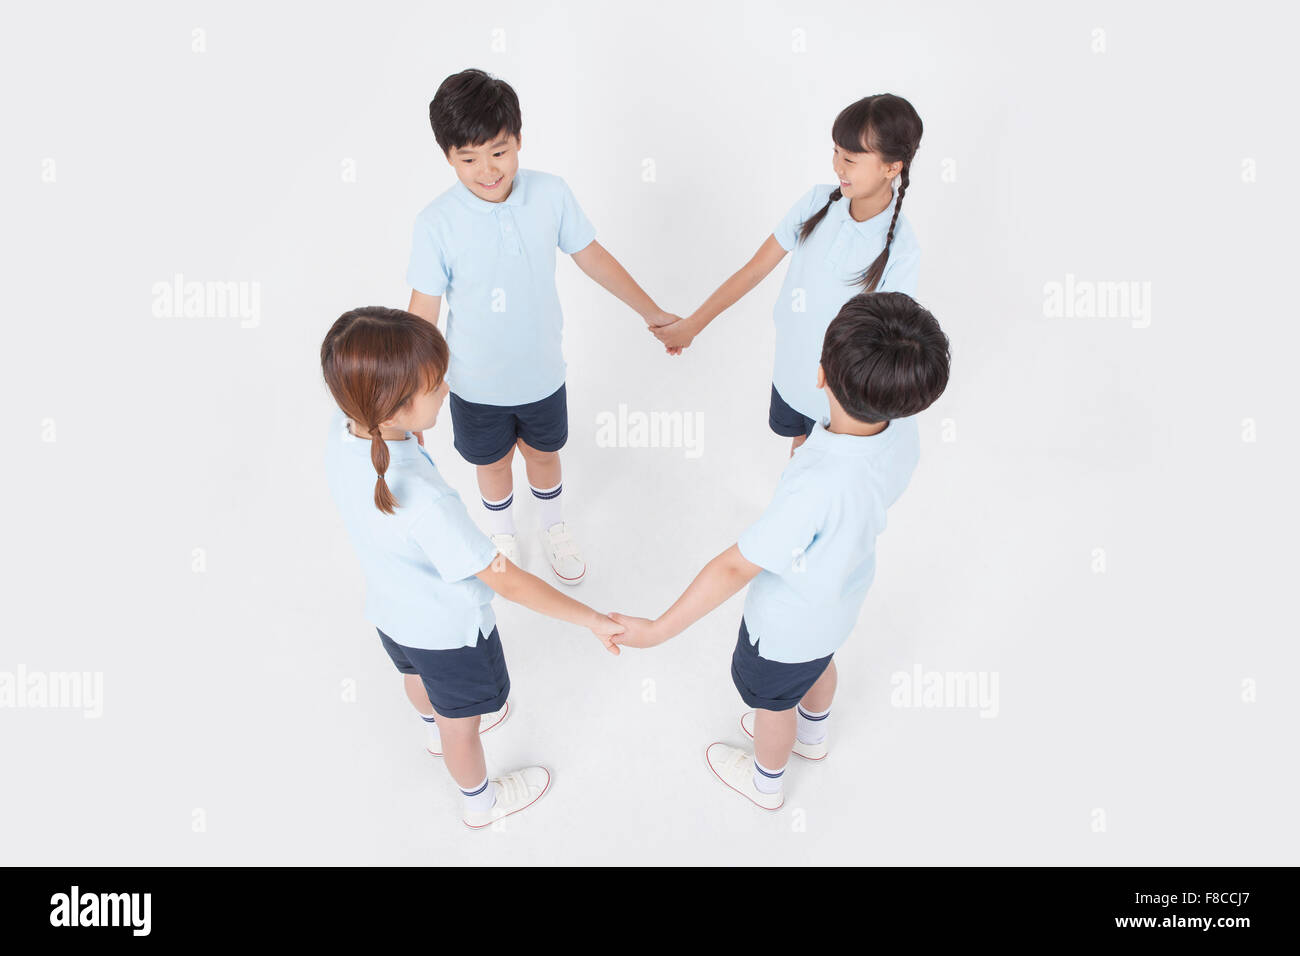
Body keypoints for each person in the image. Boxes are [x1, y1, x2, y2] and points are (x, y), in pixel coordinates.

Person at [612, 293, 950, 809]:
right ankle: (813, 739)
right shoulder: (903, 432)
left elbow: (733, 566)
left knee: (773, 708)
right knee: (819, 663)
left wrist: (657, 630)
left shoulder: (817, 488)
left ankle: (766, 780)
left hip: (786, 626)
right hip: (842, 597)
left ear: (819, 375)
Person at [322, 306, 623, 828]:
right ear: (391, 410)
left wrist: (408, 430)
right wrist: (592, 619)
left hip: (392, 617)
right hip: (449, 636)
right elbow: (506, 580)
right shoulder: (427, 502)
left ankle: (431, 726)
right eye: (436, 385)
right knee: (462, 727)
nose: (447, 389)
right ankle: (481, 804)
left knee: (414, 677)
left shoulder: (344, 431)